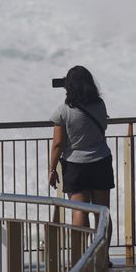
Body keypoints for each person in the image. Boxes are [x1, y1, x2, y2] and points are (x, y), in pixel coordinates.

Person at [48, 66, 115, 238]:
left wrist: (52, 169)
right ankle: (102, 256)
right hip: (101, 161)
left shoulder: (63, 111)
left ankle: (82, 255)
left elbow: (58, 144)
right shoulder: (100, 105)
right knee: (102, 213)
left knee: (79, 211)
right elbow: (104, 127)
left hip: (75, 165)